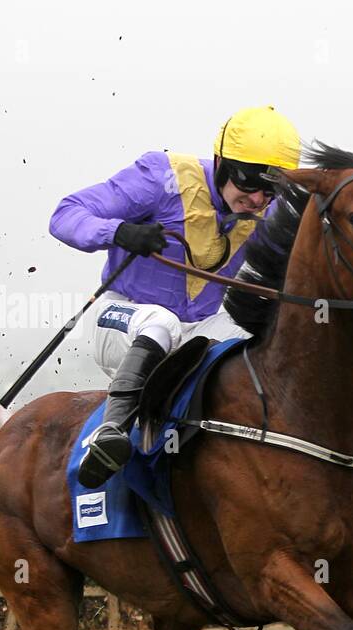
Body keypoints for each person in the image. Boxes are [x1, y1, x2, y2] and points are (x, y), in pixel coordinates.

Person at [49, 106, 302, 488]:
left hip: (200, 327)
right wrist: (119, 232)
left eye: (272, 190)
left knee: (263, 334)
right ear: (220, 162)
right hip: (125, 318)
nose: (257, 200)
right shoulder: (161, 177)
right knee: (161, 322)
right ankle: (110, 433)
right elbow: (66, 214)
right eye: (249, 183)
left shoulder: (270, 211)